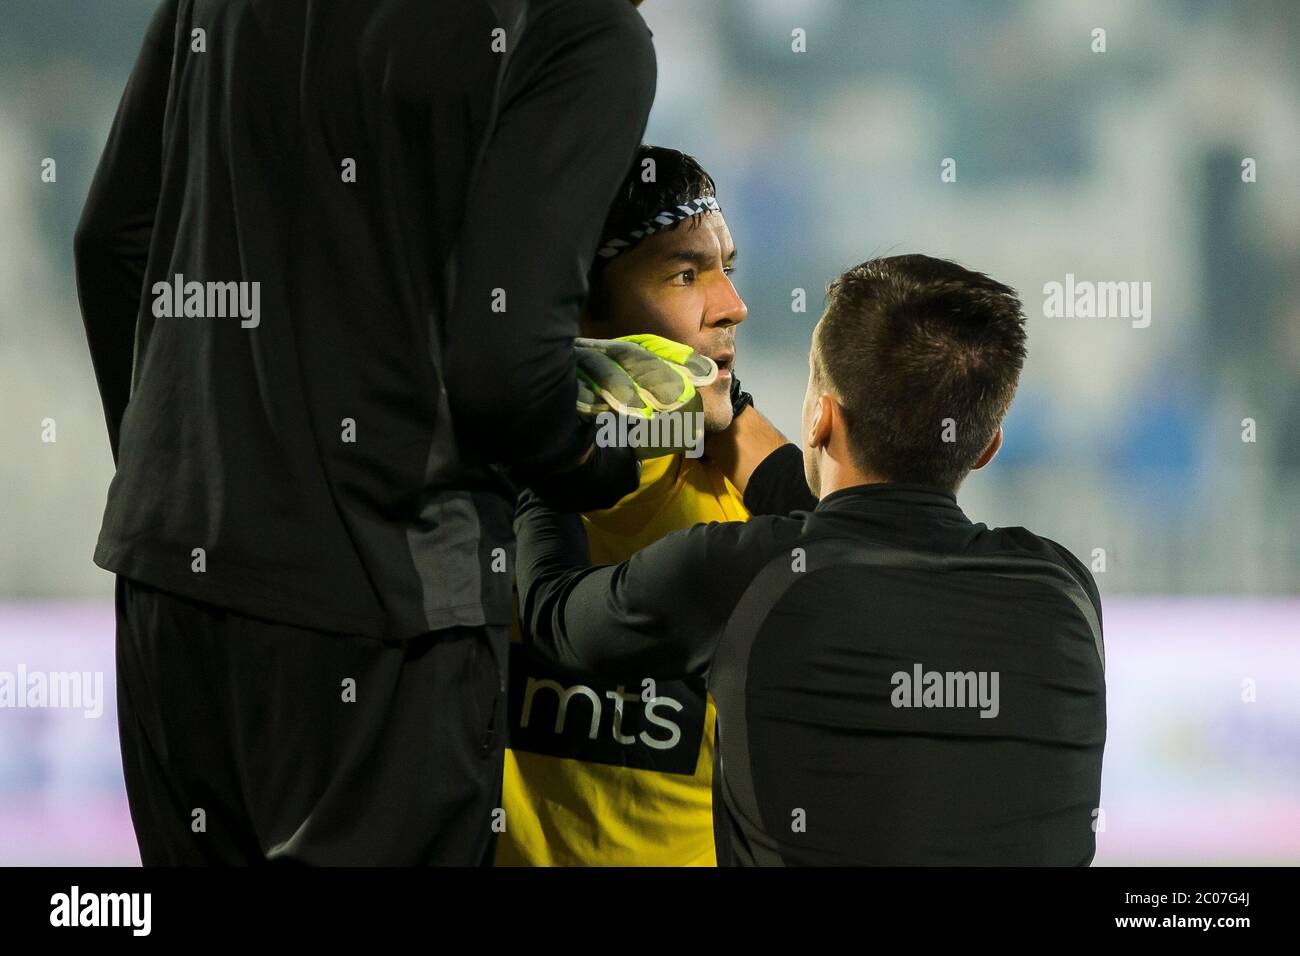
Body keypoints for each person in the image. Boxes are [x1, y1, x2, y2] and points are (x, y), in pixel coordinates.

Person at [74, 0, 655, 865]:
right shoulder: (581, 28)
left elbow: (110, 241)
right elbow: (505, 371)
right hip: (387, 603)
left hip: (172, 581)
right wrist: (598, 460)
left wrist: (182, 471)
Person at [514, 255, 1108, 865]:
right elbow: (860, 536)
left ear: (820, 417)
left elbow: (553, 612)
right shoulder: (1061, 586)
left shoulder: (745, 577)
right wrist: (726, 411)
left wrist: (558, 462)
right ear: (986, 446)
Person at [498, 145, 793, 866]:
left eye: (727, 269)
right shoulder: (472, 493)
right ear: (580, 303)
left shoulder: (760, 510)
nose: (732, 306)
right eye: (686, 273)